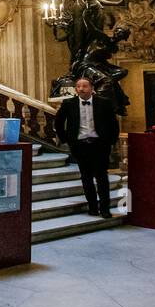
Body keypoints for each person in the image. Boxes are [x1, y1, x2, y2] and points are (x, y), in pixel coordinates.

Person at [54, 75, 119, 218]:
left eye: (84, 86)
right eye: (78, 86)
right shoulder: (68, 103)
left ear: (92, 88)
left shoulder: (104, 103)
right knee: (86, 177)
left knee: (102, 177)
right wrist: (67, 139)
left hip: (100, 145)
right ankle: (93, 207)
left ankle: (105, 208)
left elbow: (113, 124)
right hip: (80, 145)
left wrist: (111, 141)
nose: (81, 89)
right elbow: (58, 123)